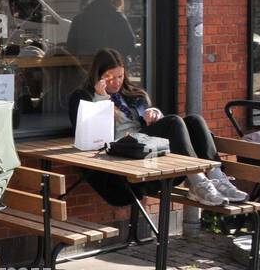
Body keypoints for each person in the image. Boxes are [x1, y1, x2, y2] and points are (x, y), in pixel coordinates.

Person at [68, 48, 248, 206]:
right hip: (119, 150)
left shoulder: (134, 94)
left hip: (144, 147)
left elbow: (148, 122)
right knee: (174, 121)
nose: (116, 82)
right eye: (110, 77)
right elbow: (94, 135)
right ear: (98, 75)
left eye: (120, 76)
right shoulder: (83, 96)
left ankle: (217, 177)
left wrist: (154, 114)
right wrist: (101, 98)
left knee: (194, 120)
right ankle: (198, 181)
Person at [66, 0, 137, 62]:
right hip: (110, 63)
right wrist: (118, 57)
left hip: (86, 64)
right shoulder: (117, 17)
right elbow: (130, 42)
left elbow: (71, 45)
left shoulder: (80, 18)